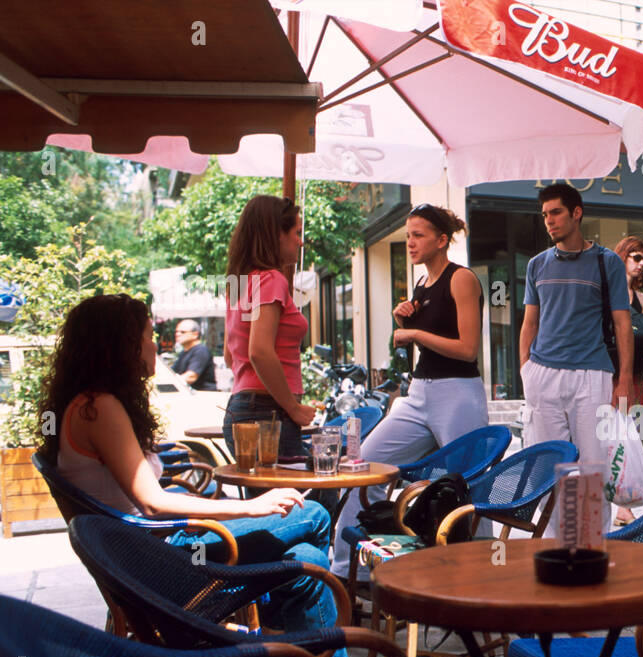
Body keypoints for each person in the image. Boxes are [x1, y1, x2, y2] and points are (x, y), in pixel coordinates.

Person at [38, 294, 347, 657]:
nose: (156, 345)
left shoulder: (87, 404)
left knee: (308, 561)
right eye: (149, 336)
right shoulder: (99, 407)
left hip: (145, 554)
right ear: (122, 346)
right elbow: (152, 503)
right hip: (163, 560)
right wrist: (249, 506)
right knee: (313, 513)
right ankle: (287, 635)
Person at [329, 204, 488, 580]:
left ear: (442, 240)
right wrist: (407, 319)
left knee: (469, 486)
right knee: (363, 466)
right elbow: (431, 341)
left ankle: (484, 574)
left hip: (458, 392)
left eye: (418, 235)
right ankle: (348, 570)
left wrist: (414, 333)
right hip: (418, 394)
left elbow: (467, 349)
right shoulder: (421, 285)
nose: (411, 242)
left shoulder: (461, 279)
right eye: (408, 235)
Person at [519, 183, 632, 533]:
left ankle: (595, 545)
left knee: (594, 466)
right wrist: (526, 370)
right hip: (543, 374)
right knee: (550, 466)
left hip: (592, 374)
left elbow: (622, 322)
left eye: (555, 213)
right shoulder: (537, 265)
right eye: (544, 215)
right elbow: (530, 322)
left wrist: (624, 378)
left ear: (576, 212)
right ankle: (555, 546)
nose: (549, 221)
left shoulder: (606, 262)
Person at [222, 195, 315, 459]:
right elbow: (259, 351)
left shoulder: (238, 283)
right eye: (296, 232)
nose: (300, 240)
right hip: (268, 412)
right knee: (311, 495)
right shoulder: (271, 279)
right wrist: (292, 408)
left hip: (241, 408)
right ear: (276, 234)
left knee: (269, 499)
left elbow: (231, 355)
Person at [611, 236, 643, 527]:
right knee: (608, 439)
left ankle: (624, 503)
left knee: (631, 438)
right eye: (635, 257)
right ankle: (613, 503)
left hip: (637, 376)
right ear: (622, 257)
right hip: (611, 376)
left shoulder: (640, 299)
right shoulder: (608, 292)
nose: (641, 265)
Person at [171, 319, 217, 391]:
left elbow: (191, 376)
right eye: (176, 332)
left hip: (203, 396)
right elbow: (172, 373)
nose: (178, 334)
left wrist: (171, 383)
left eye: (182, 332)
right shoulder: (183, 352)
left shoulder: (201, 351)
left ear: (195, 334)